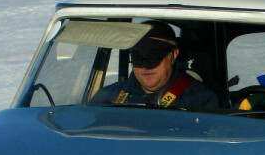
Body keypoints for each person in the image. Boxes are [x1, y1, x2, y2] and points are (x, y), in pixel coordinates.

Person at [90, 22, 220, 110]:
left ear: (173, 55)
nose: (146, 65)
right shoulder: (109, 97)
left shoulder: (198, 100)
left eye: (154, 55)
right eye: (137, 56)